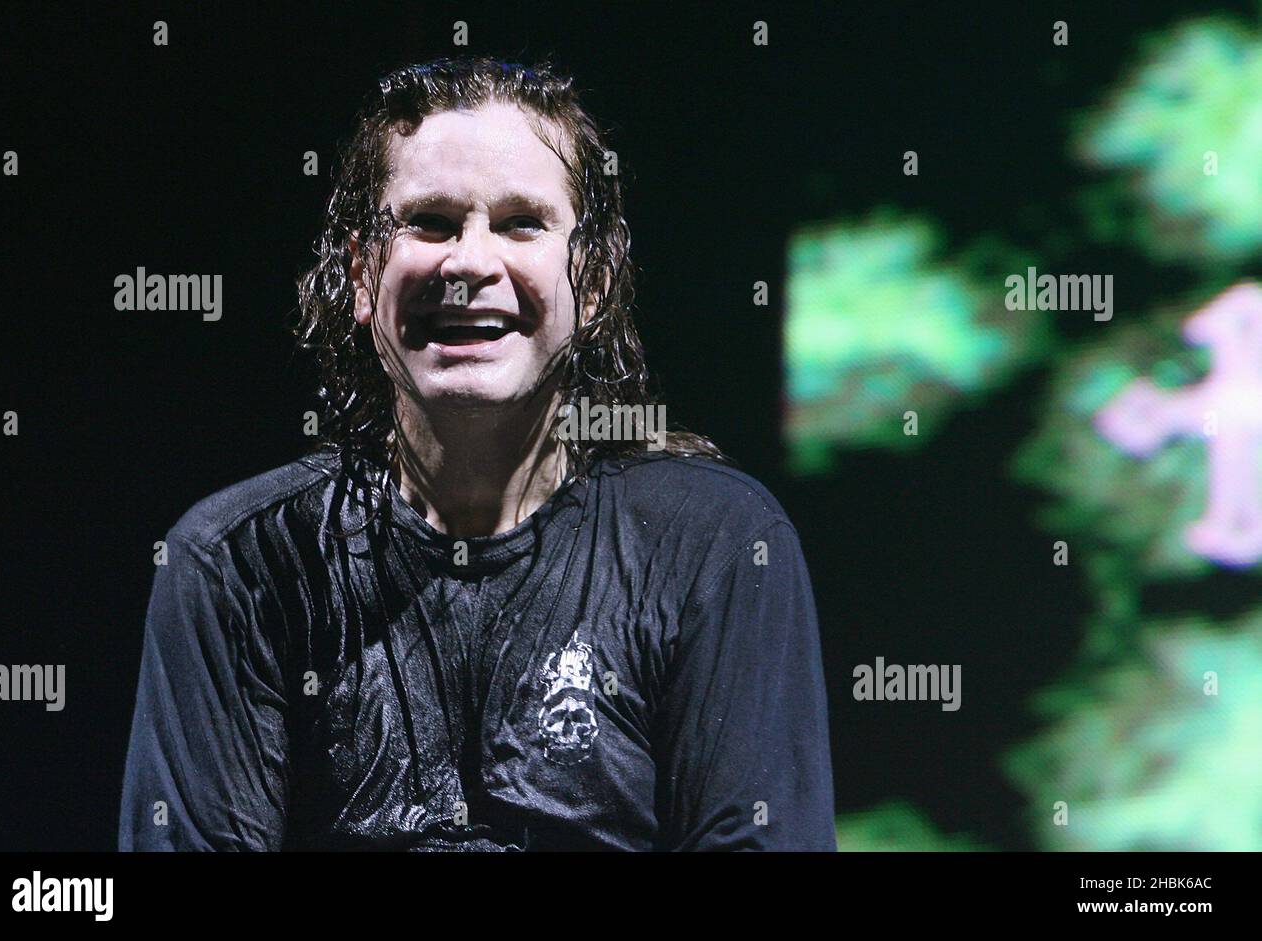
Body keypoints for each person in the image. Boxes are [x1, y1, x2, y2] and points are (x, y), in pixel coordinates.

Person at [119, 56, 836, 851]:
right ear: (362, 274)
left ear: (591, 279)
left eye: (521, 222)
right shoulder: (236, 565)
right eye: (429, 221)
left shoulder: (719, 548)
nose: (469, 262)